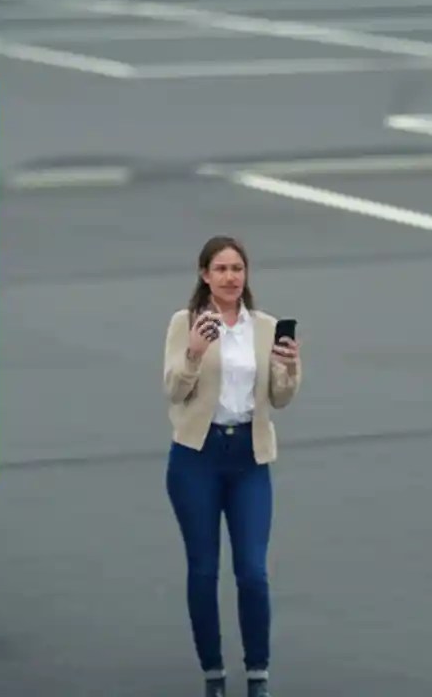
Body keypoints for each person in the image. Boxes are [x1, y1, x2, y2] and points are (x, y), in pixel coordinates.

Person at [162, 235, 302, 697]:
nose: (230, 277)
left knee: (252, 571)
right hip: (195, 460)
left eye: (237, 269)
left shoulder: (263, 327)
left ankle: (258, 672)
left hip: (249, 458)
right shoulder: (185, 324)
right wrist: (195, 354)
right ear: (204, 275)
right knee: (203, 569)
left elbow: (280, 399)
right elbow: (174, 390)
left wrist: (290, 368)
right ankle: (213, 673)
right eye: (220, 269)